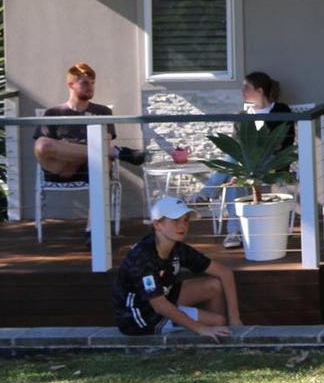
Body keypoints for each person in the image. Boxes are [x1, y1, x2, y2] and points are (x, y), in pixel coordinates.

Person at [113, 196, 243, 338]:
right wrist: (201, 328)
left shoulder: (177, 247)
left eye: (185, 220)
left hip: (164, 297)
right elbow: (159, 305)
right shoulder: (143, 257)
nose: (182, 226)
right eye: (175, 220)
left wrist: (234, 318)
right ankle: (213, 333)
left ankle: (218, 333)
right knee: (217, 321)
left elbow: (224, 272)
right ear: (157, 225)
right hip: (141, 316)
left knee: (214, 285)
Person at [205, 71, 293, 249]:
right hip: (245, 165)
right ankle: (234, 233)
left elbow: (284, 141)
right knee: (233, 180)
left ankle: (209, 191)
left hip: (272, 164)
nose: (242, 91)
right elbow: (236, 145)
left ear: (260, 91)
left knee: (237, 160)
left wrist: (261, 145)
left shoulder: (281, 110)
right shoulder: (243, 114)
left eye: (247, 87)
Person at [33, 62, 145, 182]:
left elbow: (104, 143)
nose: (90, 87)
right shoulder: (53, 112)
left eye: (92, 83)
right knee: (41, 144)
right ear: (71, 85)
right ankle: (115, 152)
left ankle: (109, 152)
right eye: (85, 83)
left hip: (92, 165)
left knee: (102, 156)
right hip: (60, 168)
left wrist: (74, 156)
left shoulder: (102, 111)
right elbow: (43, 150)